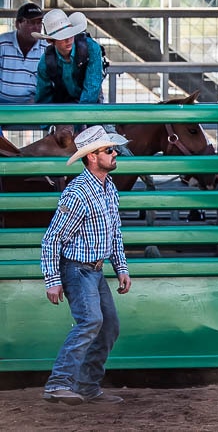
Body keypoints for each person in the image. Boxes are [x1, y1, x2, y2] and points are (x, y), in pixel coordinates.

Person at [39, 125, 132, 405]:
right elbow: (52, 238)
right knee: (92, 321)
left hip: (94, 269)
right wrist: (52, 279)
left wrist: (121, 268)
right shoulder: (77, 192)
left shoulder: (108, 187)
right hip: (77, 268)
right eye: (109, 150)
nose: (115, 153)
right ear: (92, 156)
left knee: (109, 325)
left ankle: (87, 385)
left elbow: (114, 232)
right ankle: (58, 383)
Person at [32, 9, 105, 104]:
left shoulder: (91, 48)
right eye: (62, 37)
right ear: (51, 41)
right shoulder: (45, 62)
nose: (68, 40)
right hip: (61, 106)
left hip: (89, 105)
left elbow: (92, 89)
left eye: (71, 34)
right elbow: (43, 97)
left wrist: (79, 116)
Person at [0, 2, 47, 104]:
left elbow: (50, 85)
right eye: (30, 22)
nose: (36, 27)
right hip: (2, 104)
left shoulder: (47, 48)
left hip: (33, 105)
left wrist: (37, 100)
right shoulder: (2, 43)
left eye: (39, 22)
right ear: (18, 24)